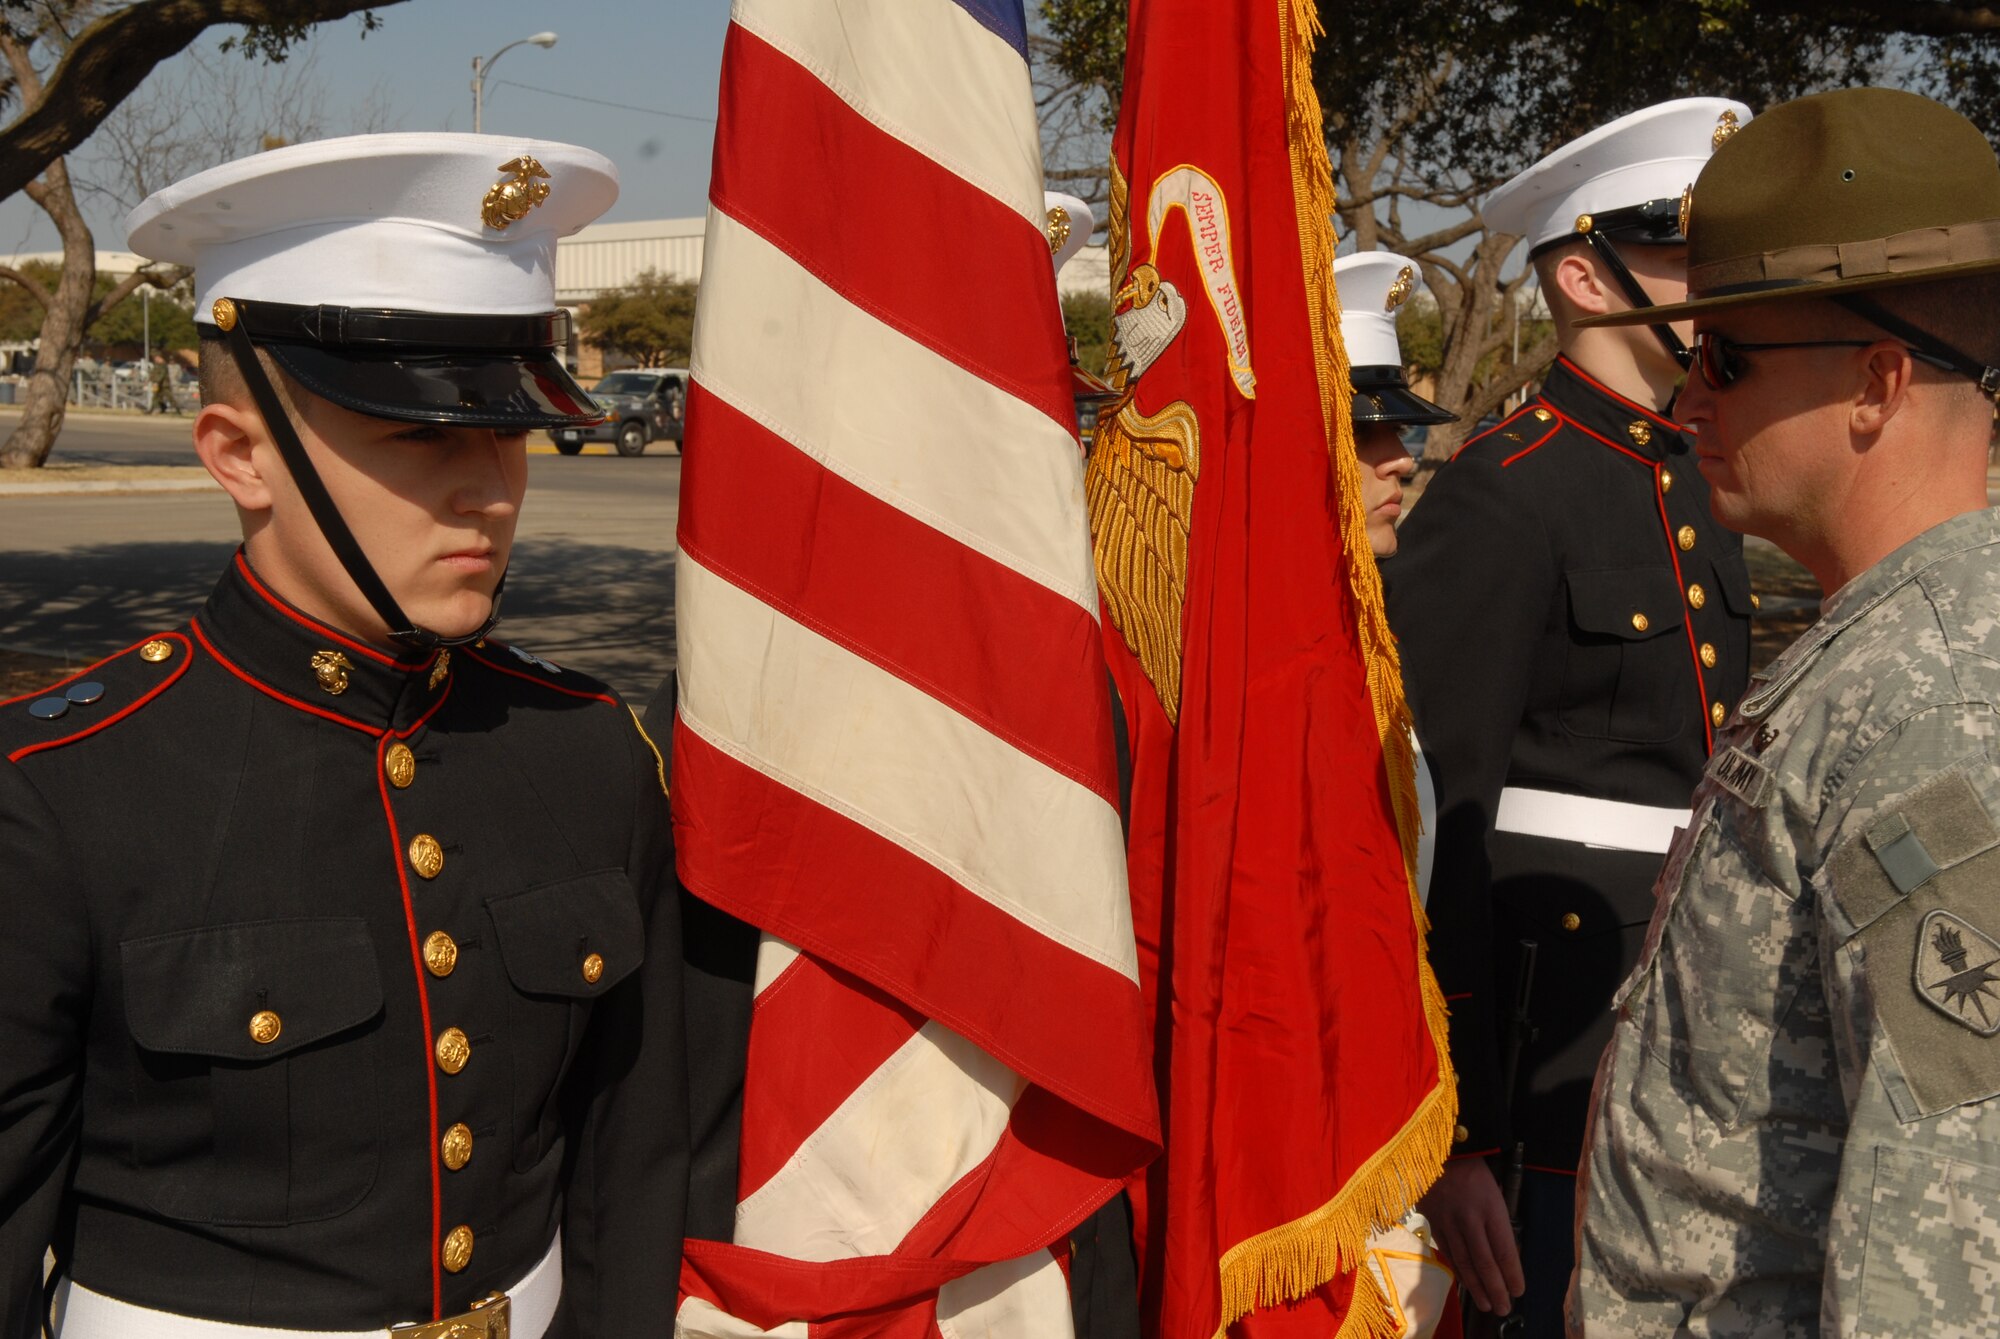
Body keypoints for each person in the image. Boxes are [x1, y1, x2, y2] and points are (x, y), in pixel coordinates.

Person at [0, 133, 688, 1338]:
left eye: (510, 430)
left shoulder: (584, 753)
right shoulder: (59, 793)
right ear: (240, 454)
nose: (489, 486)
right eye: (421, 434)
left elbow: (630, 1171)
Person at [1571, 86, 2000, 1336]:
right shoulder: (1880, 652)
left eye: (1725, 360)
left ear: (1875, 383)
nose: (1685, 400)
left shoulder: (1934, 698)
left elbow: (1947, 1234)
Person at [1385, 99, 1756, 1335]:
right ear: (1587, 275)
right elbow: (1432, 826)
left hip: (1666, 1038)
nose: (1711, 280)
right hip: (1537, 1063)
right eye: (1676, 249)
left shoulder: (1692, 479)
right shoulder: (1502, 493)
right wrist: (1455, 1132)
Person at [148, 350, 181, 415]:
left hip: (164, 385)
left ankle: (178, 410)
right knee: (155, 397)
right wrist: (150, 379)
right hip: (158, 384)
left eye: (156, 358)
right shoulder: (157, 364)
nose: (155, 359)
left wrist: (157, 381)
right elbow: (154, 372)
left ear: (159, 357)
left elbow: (162, 374)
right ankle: (153, 410)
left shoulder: (163, 364)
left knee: (170, 397)